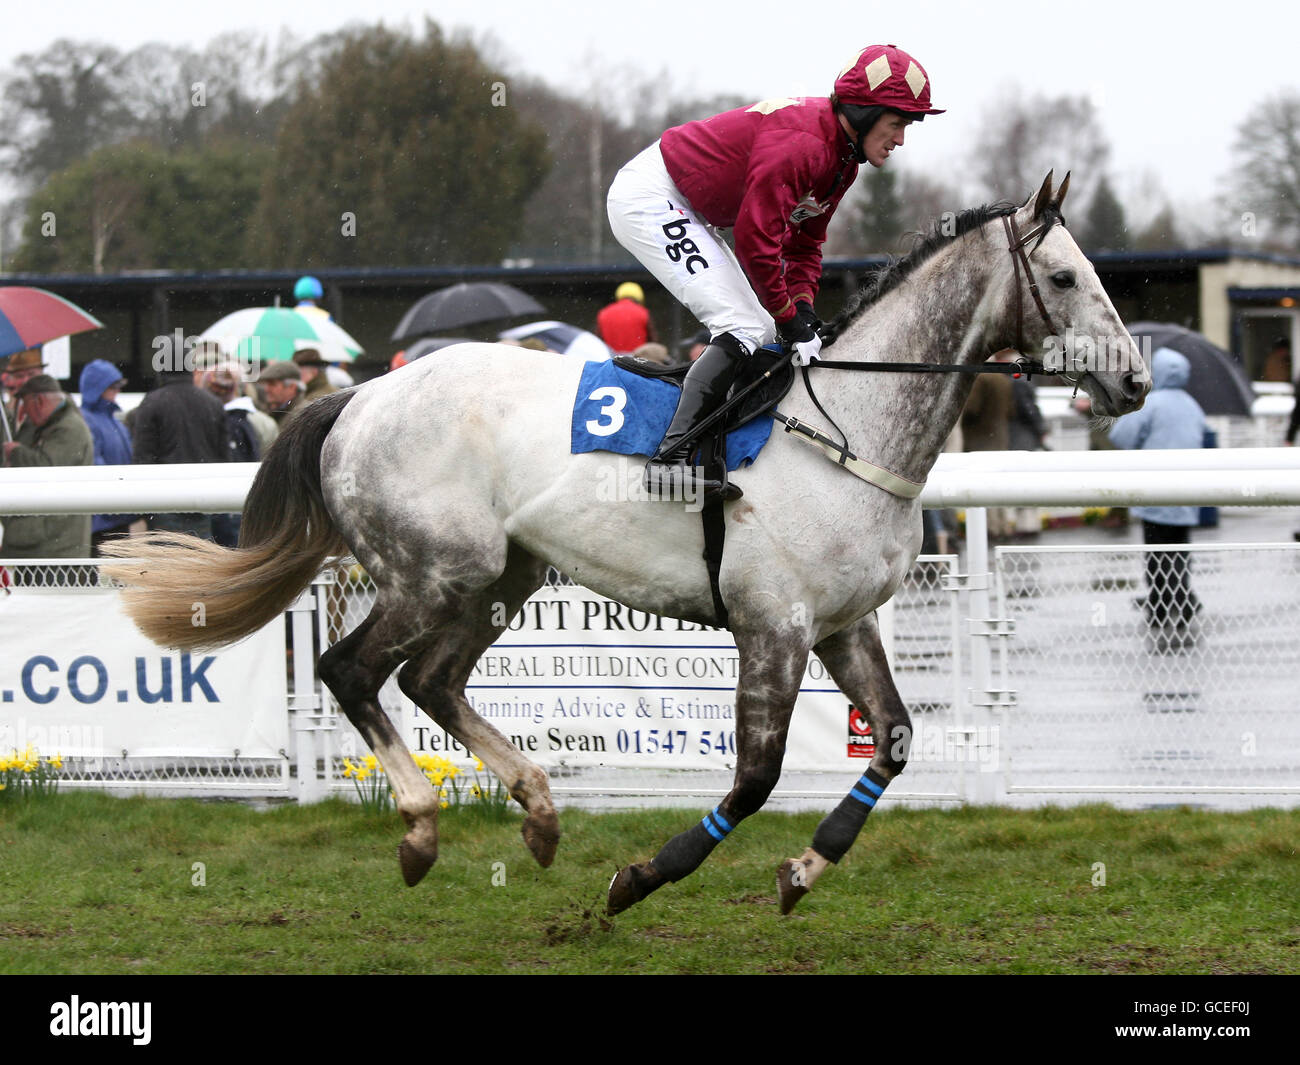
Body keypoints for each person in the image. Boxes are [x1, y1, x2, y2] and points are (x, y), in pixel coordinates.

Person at [606, 43, 942, 500]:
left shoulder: (842, 162)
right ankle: (672, 458)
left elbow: (805, 245)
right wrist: (789, 315)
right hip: (650, 196)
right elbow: (756, 242)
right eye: (898, 122)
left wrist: (800, 307)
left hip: (687, 204)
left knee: (761, 329)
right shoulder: (805, 146)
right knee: (744, 325)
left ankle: (709, 445)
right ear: (864, 111)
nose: (901, 139)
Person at [1110, 347, 1208, 636]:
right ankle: (1180, 597)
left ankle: (1163, 604)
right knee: (1180, 551)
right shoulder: (1192, 405)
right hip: (1187, 492)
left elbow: (1121, 436)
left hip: (1156, 490)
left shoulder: (1150, 403)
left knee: (1156, 553)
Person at [1, 375, 94, 559]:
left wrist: (16, 452)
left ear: (39, 401)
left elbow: (46, 467)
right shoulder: (56, 424)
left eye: (26, 405)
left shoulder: (68, 429)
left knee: (45, 588)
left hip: (55, 544)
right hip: (49, 540)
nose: (25, 412)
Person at [132, 362, 228, 540]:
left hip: (164, 500)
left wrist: (144, 508)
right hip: (203, 500)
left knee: (166, 563)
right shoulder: (212, 403)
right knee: (200, 561)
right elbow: (223, 456)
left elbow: (142, 458)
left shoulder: (152, 402)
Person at [78, 359, 140, 553]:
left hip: (117, 514)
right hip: (101, 518)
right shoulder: (86, 421)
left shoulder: (115, 422)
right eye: (113, 386)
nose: (117, 391)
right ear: (97, 388)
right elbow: (94, 465)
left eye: (119, 386)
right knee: (101, 579)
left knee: (119, 577)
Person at [596, 282, 656, 354]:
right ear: (639, 298)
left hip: (612, 359)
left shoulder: (604, 313)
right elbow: (652, 341)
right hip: (636, 360)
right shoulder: (643, 312)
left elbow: (598, 340)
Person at [259, 360, 306, 425]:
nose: (267, 389)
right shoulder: (271, 409)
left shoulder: (301, 416)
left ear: (292, 387)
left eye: (272, 384)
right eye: (266, 384)